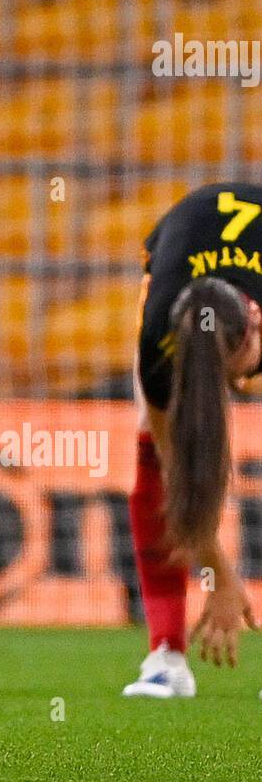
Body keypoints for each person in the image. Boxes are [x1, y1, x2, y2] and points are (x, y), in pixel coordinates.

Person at [124, 182, 262, 697]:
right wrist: (220, 577)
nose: (234, 389)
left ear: (255, 324)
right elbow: (180, 470)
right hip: (176, 246)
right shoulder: (162, 338)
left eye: (234, 373)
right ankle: (166, 656)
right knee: (154, 464)